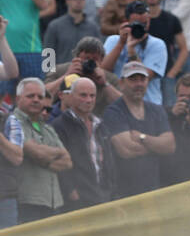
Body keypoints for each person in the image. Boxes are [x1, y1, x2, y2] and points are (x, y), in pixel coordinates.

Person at [101, 62, 175, 198]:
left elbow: (170, 146)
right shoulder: (113, 112)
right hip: (123, 194)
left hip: (154, 190)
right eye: (133, 79)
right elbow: (127, 150)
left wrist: (142, 137)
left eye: (142, 79)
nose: (139, 84)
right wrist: (157, 145)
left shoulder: (156, 110)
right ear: (121, 83)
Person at [12, 77, 72, 223]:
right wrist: (54, 153)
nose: (36, 100)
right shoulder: (13, 122)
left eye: (40, 96)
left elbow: (67, 162)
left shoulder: (47, 128)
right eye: (30, 96)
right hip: (28, 203)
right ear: (18, 98)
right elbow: (36, 152)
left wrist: (42, 156)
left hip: (54, 202)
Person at [50, 75, 115, 210]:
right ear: (71, 96)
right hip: (77, 201)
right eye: (83, 95)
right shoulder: (59, 126)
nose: (89, 100)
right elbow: (58, 163)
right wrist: (71, 191)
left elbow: (108, 160)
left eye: (92, 96)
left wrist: (111, 189)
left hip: (103, 195)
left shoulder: (101, 125)